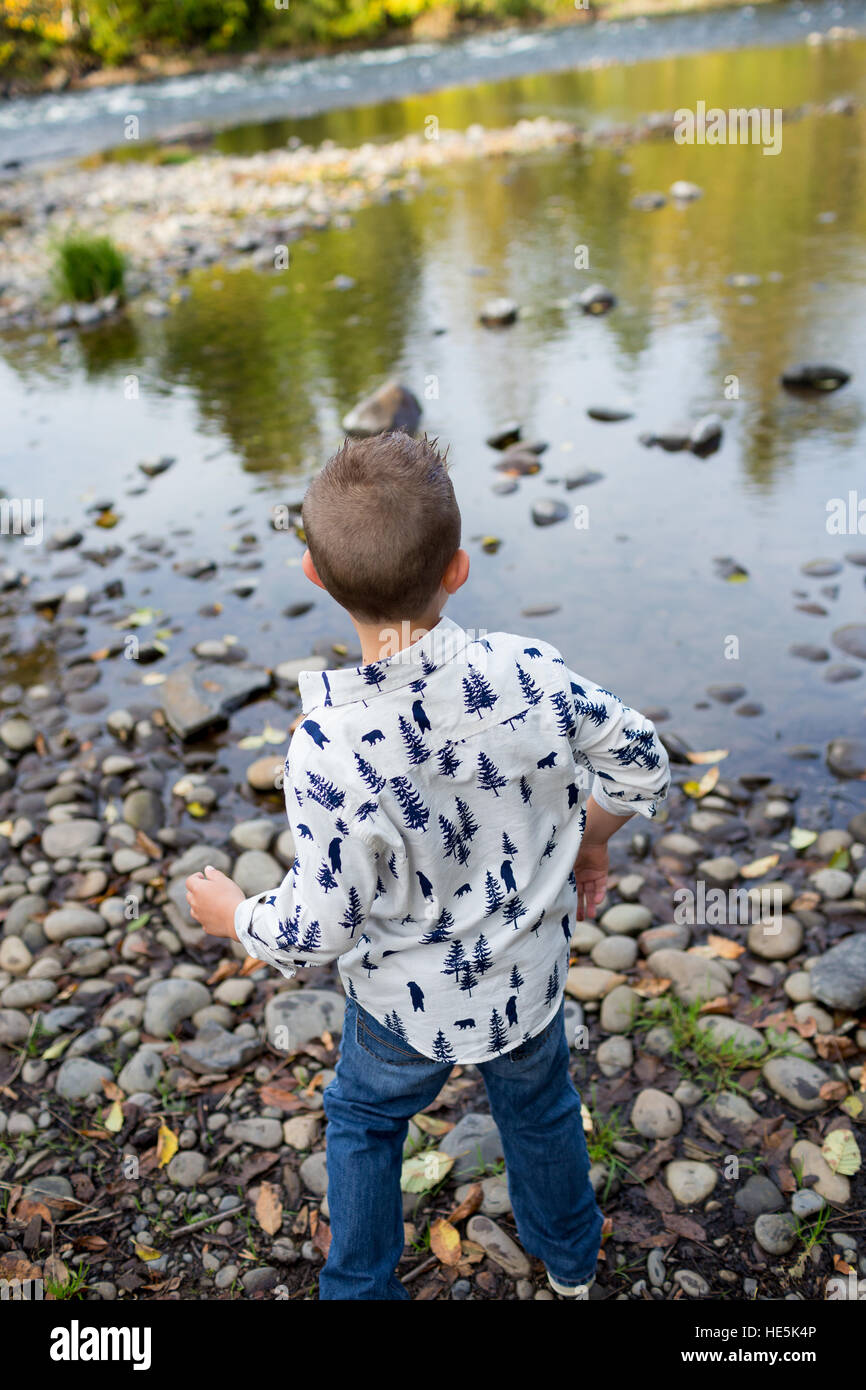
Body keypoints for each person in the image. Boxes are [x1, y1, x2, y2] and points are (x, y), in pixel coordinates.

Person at [186, 430, 670, 1300]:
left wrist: (238, 920)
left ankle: (361, 1290)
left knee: (365, 1119)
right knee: (542, 1112)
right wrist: (592, 834)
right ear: (458, 569)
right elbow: (643, 759)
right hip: (527, 982)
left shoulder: (328, 749)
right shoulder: (530, 672)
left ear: (312, 574)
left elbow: (322, 924)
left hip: (404, 1005)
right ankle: (571, 1264)